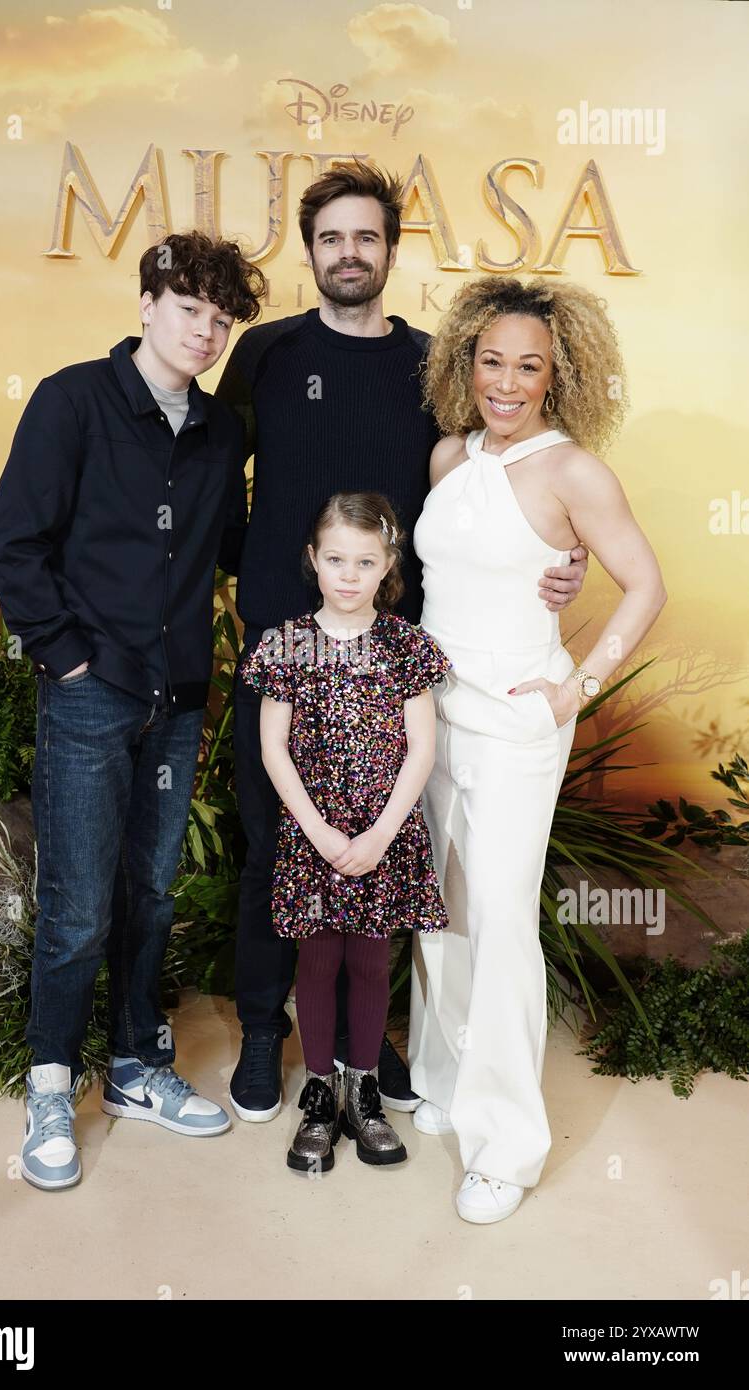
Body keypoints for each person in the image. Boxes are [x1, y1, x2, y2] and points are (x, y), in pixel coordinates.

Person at [215, 158, 592, 1125]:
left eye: (367, 236)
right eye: (332, 237)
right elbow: (216, 476)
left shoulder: (432, 366)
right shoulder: (264, 353)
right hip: (287, 650)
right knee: (276, 847)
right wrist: (239, 580)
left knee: (389, 856)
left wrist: (568, 555)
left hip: (398, 664)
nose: (350, 252)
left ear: (391, 250)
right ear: (312, 251)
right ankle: (268, 1036)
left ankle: (374, 1043)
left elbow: (484, 488)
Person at [0, 230, 267, 1190]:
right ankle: (53, 1083)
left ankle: (140, 1067)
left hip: (180, 697)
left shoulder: (220, 431)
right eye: (190, 309)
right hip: (92, 694)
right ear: (147, 303)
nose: (206, 332)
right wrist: (65, 661)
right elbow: (14, 539)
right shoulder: (73, 399)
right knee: (75, 907)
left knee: (150, 892)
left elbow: (230, 546)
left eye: (221, 320)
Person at [408, 275, 668, 1223]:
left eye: (529, 366)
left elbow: (645, 584)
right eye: (492, 362)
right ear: (465, 363)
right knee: (439, 903)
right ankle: (442, 1082)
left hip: (518, 723)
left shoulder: (575, 473)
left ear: (559, 376)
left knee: (506, 919)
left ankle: (506, 1151)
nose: (507, 383)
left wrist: (577, 684)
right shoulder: (447, 458)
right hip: (431, 711)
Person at [240, 493, 452, 1171]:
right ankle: (318, 1095)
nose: (349, 575)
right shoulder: (287, 643)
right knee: (318, 961)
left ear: (389, 565)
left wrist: (381, 835)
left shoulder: (405, 645)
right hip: (315, 834)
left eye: (365, 561)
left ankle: (364, 1090)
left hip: (382, 833)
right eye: (336, 559)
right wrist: (322, 834)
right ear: (314, 560)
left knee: (368, 959)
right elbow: (273, 747)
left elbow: (423, 748)